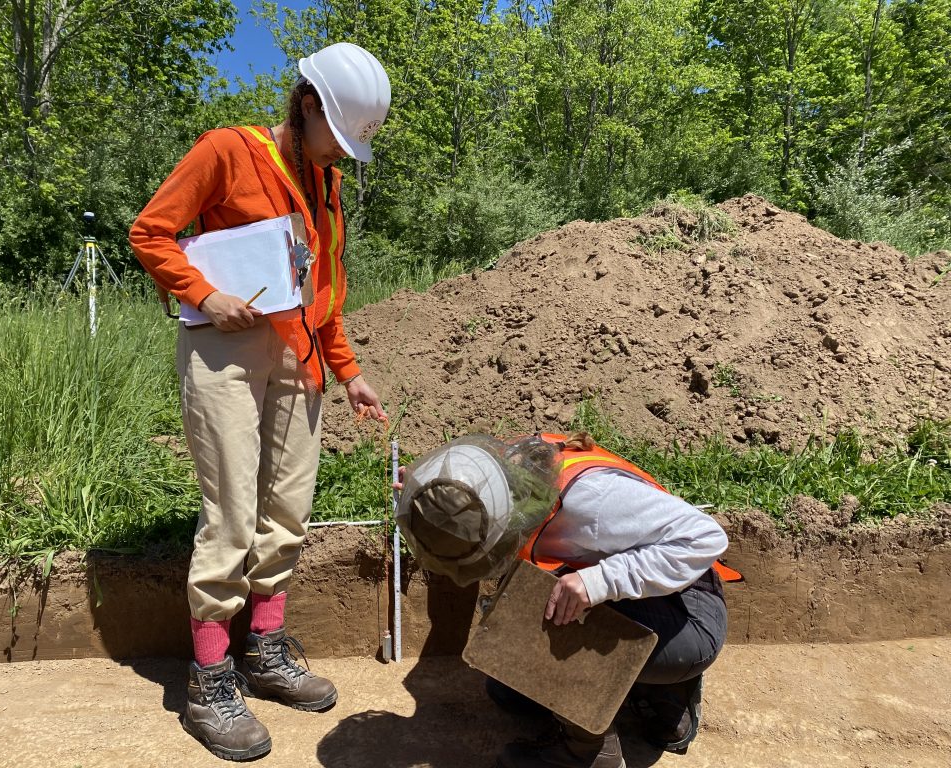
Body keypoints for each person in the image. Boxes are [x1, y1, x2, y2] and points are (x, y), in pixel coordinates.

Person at [130, 42, 391, 762]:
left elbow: (323, 291)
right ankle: (210, 679)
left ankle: (264, 652)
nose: (339, 155)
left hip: (297, 360)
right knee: (233, 514)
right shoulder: (225, 152)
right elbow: (150, 233)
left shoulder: (326, 185)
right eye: (337, 137)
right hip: (225, 351)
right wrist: (204, 294)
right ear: (308, 106)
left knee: (287, 510)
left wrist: (348, 372)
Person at [395, 431, 732, 768]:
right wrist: (428, 506)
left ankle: (588, 752)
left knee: (529, 618)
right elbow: (464, 504)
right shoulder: (507, 477)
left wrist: (597, 581)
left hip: (687, 618)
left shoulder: (593, 500)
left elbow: (706, 537)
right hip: (649, 604)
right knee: (508, 691)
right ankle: (657, 693)